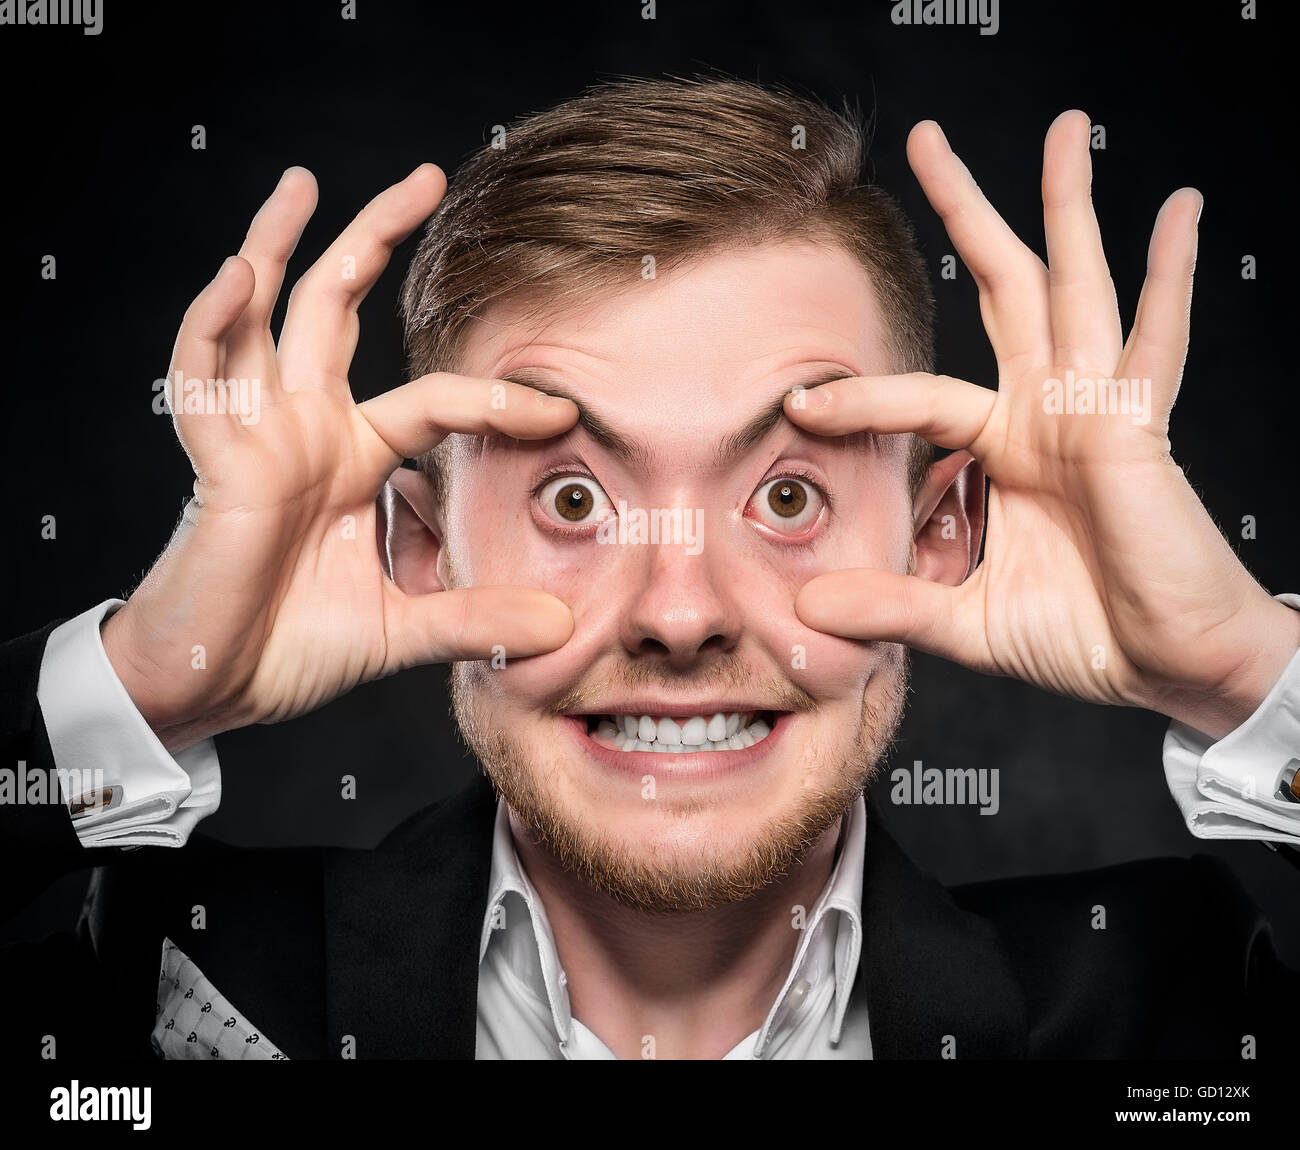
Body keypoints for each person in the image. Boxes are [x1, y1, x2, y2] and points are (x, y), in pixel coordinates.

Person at [4, 75, 1297, 1060]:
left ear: (941, 531)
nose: (680, 612)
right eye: (574, 495)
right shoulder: (165, 963)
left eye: (786, 493)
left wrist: (1249, 674)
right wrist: (136, 689)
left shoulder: (1169, 1000)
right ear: (420, 541)